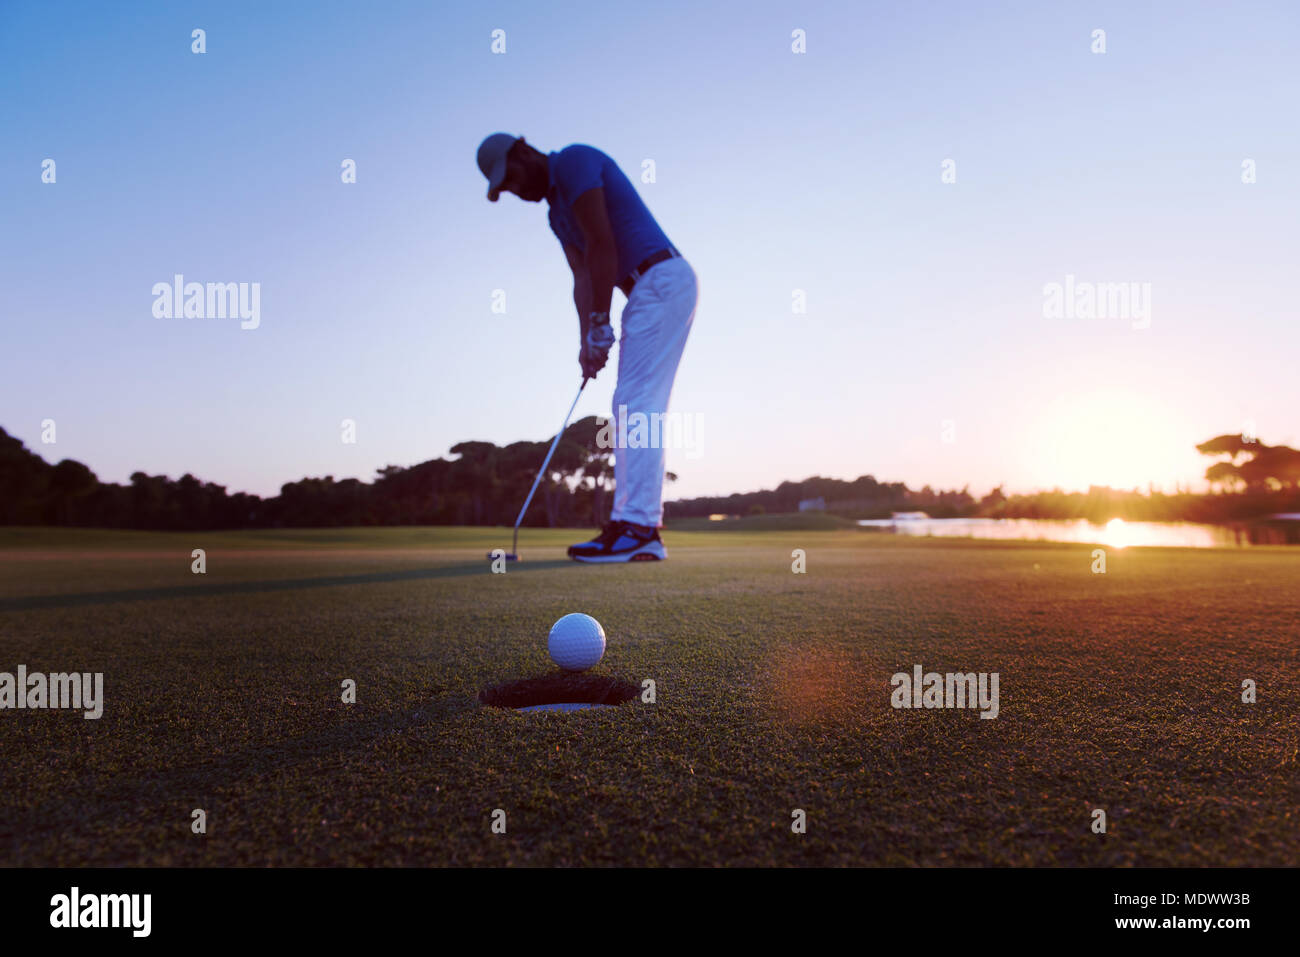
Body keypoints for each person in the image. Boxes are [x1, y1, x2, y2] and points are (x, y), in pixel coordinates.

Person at [477, 133, 698, 563]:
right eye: (505, 190)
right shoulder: (555, 215)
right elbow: (581, 276)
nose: (516, 192)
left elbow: (602, 243)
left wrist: (601, 321)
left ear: (523, 151)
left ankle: (639, 528)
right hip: (645, 289)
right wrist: (587, 339)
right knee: (629, 406)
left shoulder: (575, 162)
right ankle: (632, 524)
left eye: (513, 179)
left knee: (638, 405)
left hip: (660, 278)